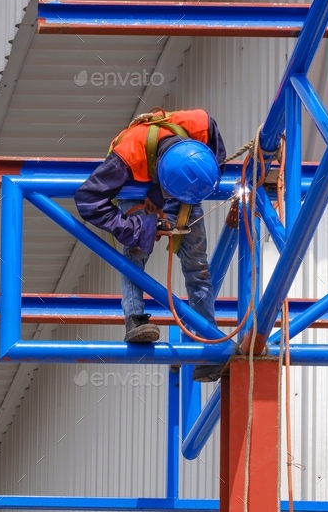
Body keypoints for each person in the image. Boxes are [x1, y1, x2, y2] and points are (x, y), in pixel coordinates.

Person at [75, 108, 227, 382]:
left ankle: (208, 342)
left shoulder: (200, 125)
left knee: (198, 269)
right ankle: (135, 319)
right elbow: (88, 201)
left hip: (186, 197)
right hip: (137, 193)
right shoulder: (126, 156)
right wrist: (135, 229)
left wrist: (163, 193)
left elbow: (217, 163)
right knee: (135, 256)